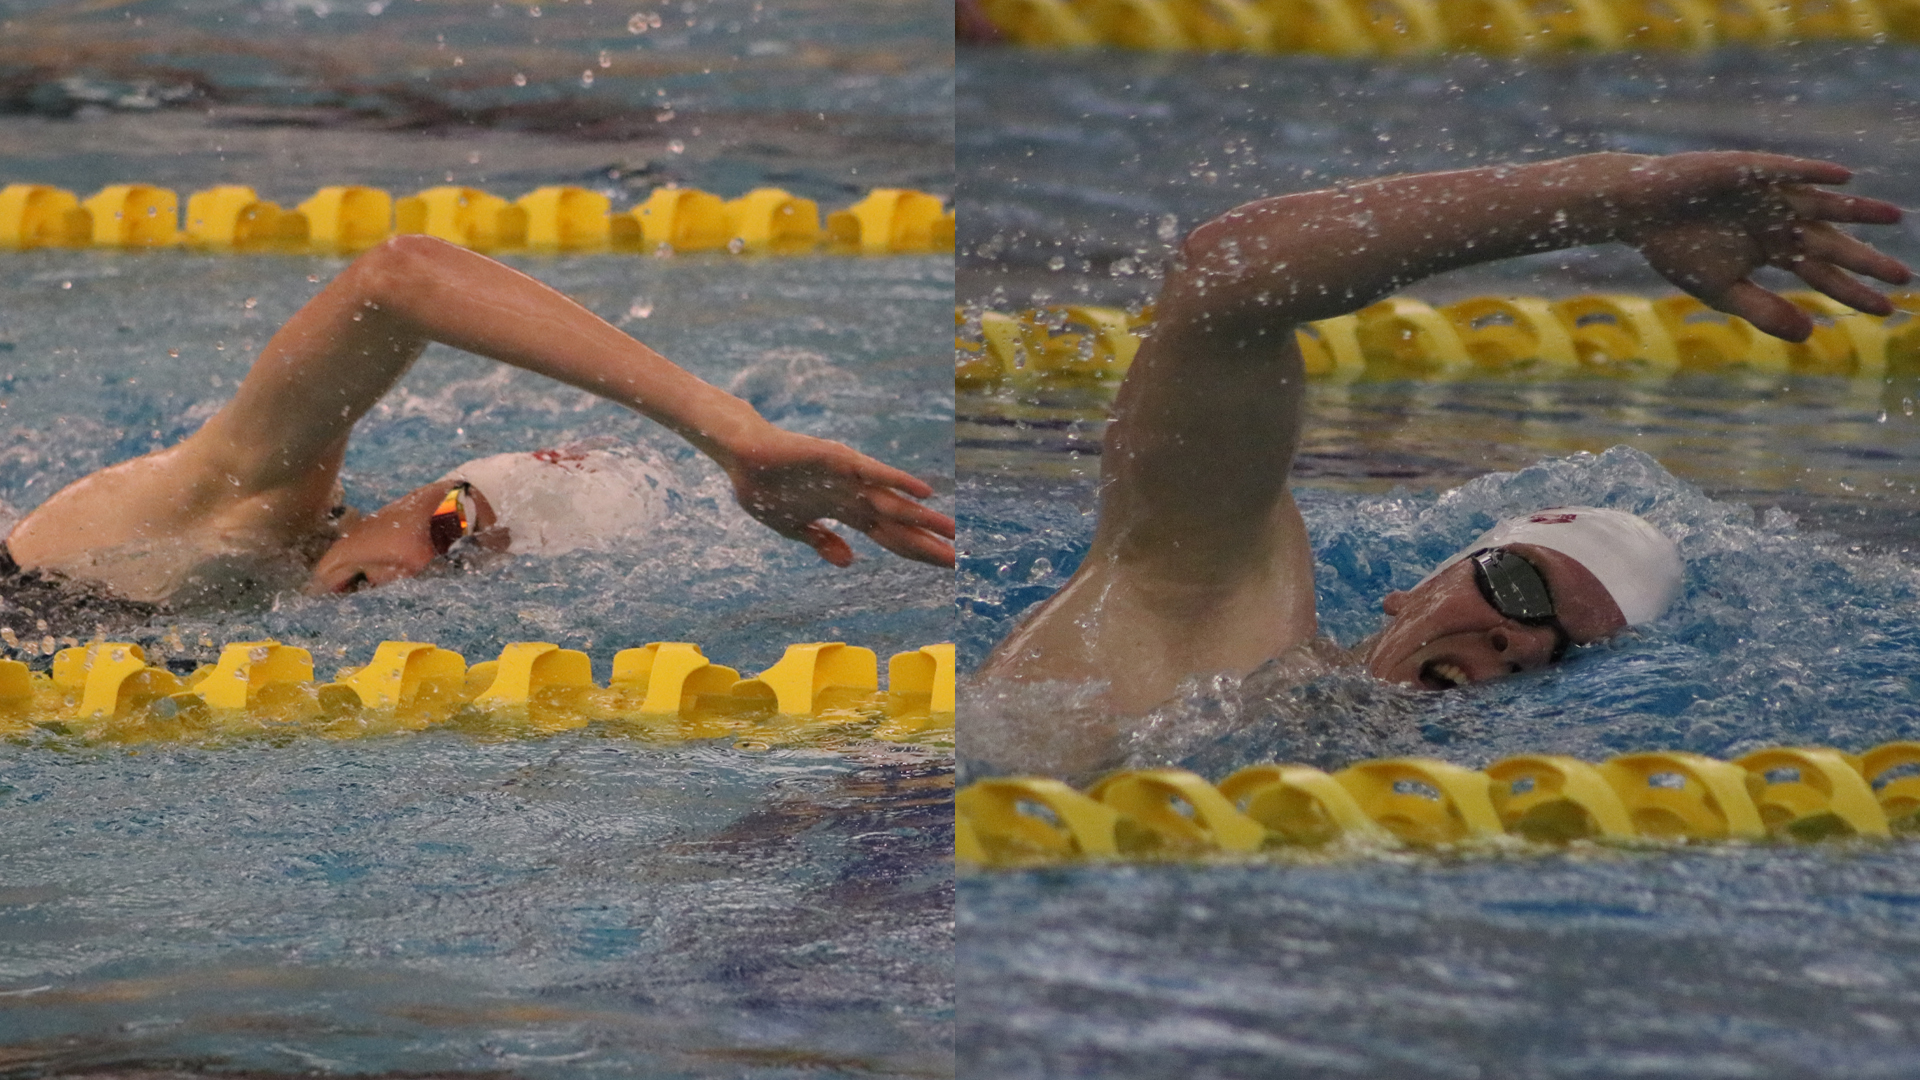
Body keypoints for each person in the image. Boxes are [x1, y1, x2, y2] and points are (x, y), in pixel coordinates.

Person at [979, 151, 1912, 717]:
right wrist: (1606, 199)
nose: (1519, 641)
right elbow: (1232, 279)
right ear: (1411, 588)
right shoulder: (1207, 619)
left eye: (1567, 649)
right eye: (1518, 585)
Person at [2, 234, 955, 624]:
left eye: (468, 568)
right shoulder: (248, 501)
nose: (421, 567)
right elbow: (398, 280)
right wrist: (728, 431)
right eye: (452, 524)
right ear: (425, 489)